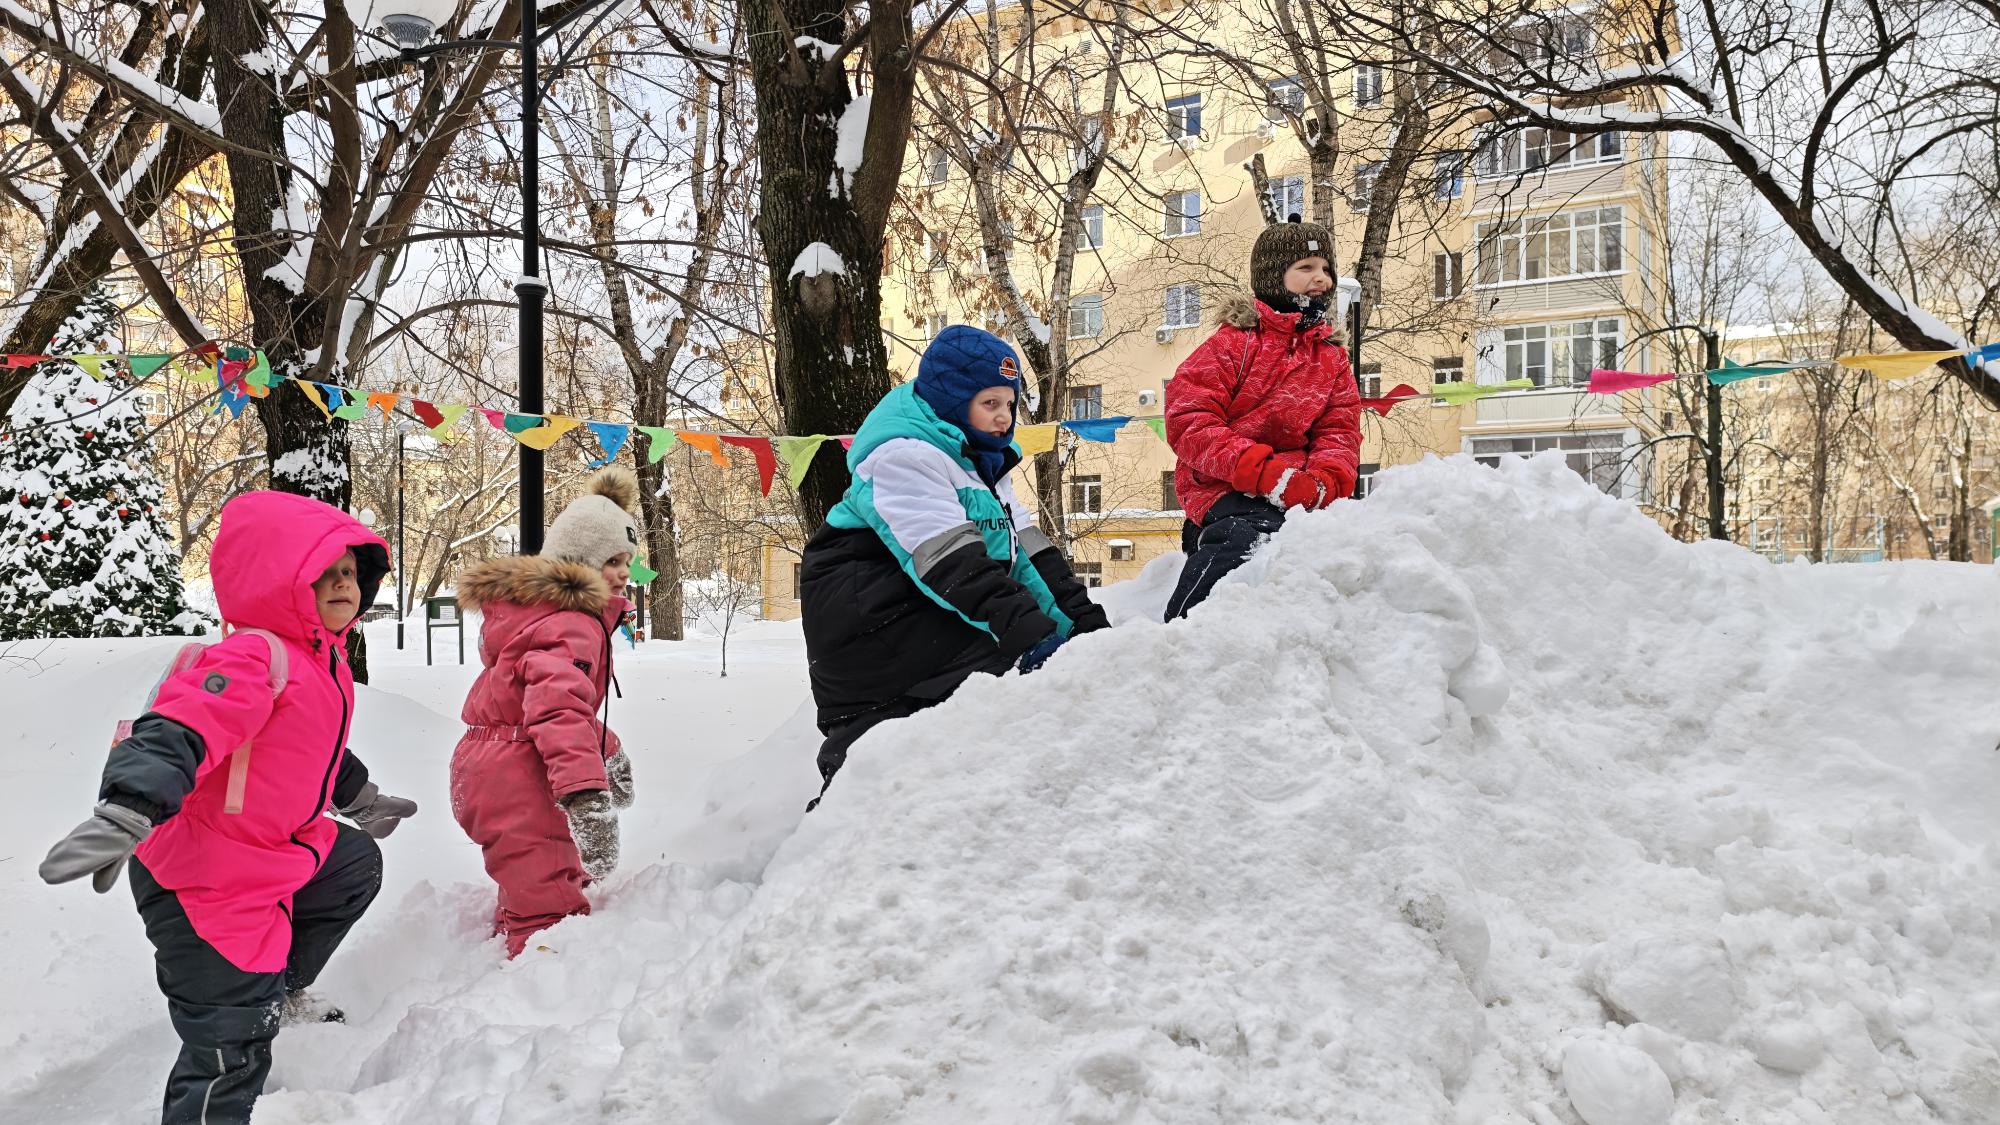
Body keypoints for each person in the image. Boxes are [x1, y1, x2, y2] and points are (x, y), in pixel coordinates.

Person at [39, 491, 417, 1125]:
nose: (343, 584)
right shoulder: (251, 655)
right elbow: (184, 725)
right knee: (230, 1043)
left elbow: (308, 749)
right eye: (323, 572)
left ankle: (277, 989)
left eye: (351, 571)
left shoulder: (322, 661)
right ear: (278, 581)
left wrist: (359, 798)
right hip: (206, 873)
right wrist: (129, 807)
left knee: (353, 864)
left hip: (270, 850)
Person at [799, 325, 1109, 802]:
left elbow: (1028, 557)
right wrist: (1032, 639)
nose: (1005, 417)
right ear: (952, 399)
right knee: (995, 680)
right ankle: (852, 823)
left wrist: (1083, 627)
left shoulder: (980, 463)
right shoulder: (903, 454)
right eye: (990, 403)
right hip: (871, 628)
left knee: (1004, 686)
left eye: (1009, 404)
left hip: (917, 615)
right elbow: (951, 567)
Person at [451, 468, 638, 956]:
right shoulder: (570, 623)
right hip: (519, 774)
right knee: (549, 905)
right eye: (612, 560)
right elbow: (556, 711)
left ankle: (511, 943)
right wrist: (586, 796)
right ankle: (539, 996)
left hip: (498, 762)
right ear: (579, 561)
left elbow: (549, 703)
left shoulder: (544, 618)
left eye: (628, 561)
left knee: (535, 879)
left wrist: (606, 749)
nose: (623, 572)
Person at [1163, 218, 1363, 620]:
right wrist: (1264, 474)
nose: (1320, 277)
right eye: (1306, 268)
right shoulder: (1234, 344)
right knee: (1246, 535)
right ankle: (1182, 633)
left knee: (1335, 545)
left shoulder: (1331, 358)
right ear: (1275, 277)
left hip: (1303, 489)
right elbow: (1190, 418)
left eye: (1326, 268)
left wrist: (1325, 482)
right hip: (1223, 483)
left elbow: (1339, 431)